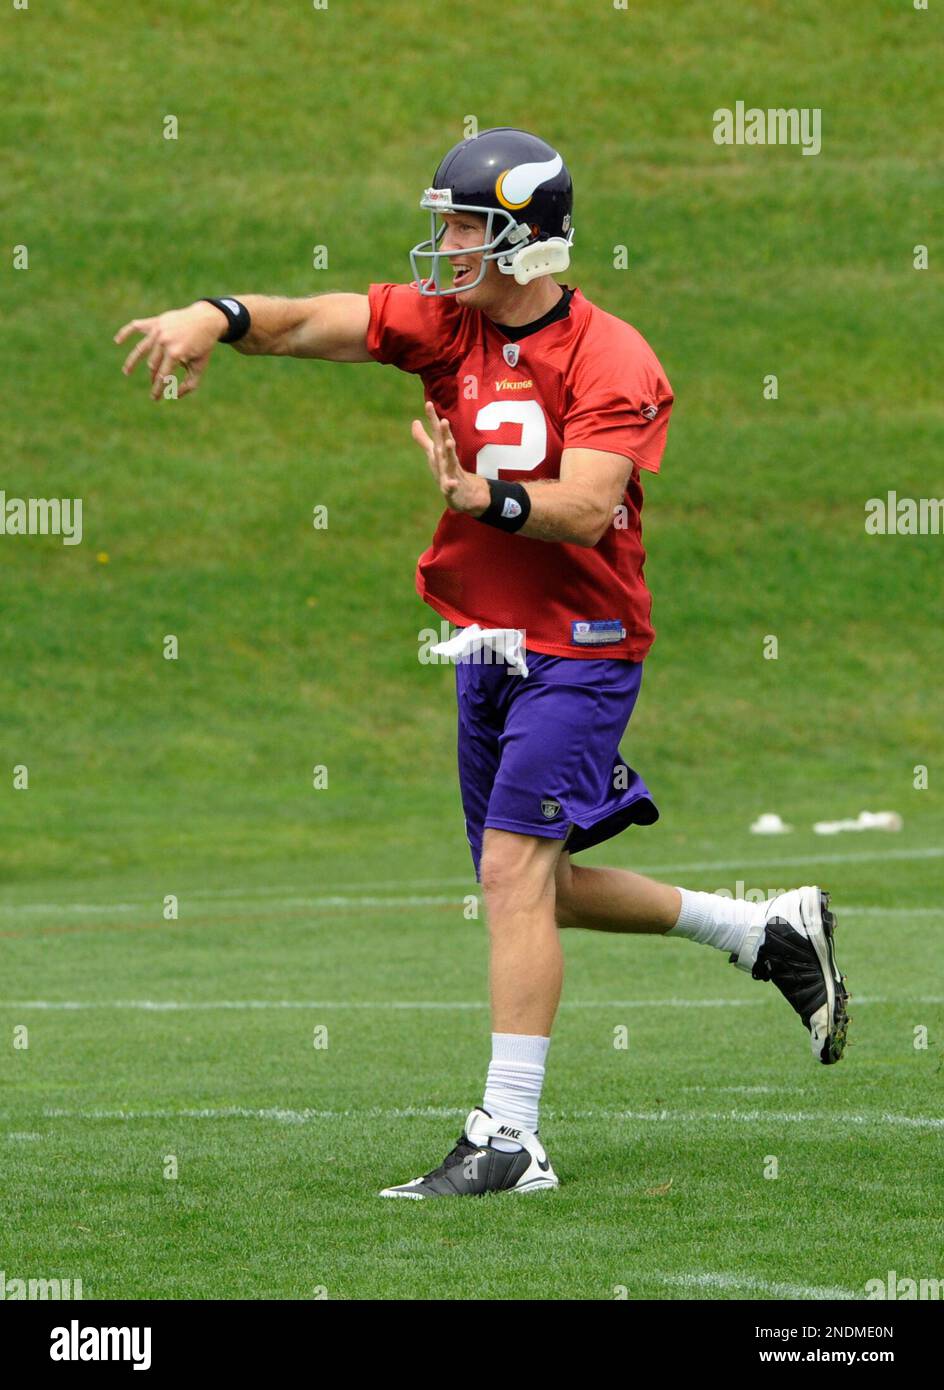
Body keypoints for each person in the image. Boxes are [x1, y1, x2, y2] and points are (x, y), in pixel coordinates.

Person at [115, 127, 849, 1200]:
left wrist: (483, 500)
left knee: (511, 878)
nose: (446, 243)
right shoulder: (447, 325)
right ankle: (760, 928)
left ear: (524, 240)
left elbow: (590, 509)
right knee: (532, 889)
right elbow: (317, 320)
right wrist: (215, 318)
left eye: (466, 224)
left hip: (579, 647)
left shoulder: (611, 355)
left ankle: (509, 1139)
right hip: (488, 645)